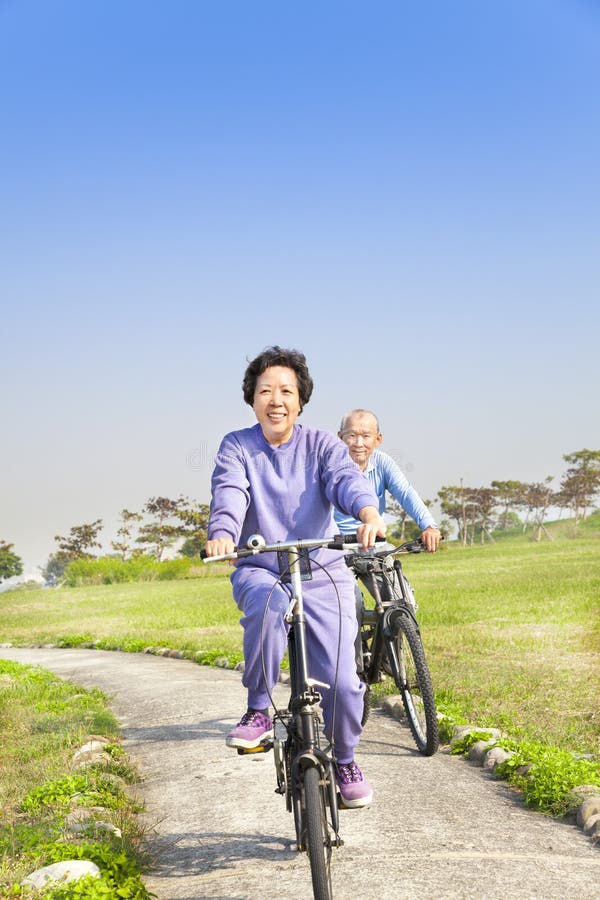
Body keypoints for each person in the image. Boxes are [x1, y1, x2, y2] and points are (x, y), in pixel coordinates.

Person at [204, 347, 387, 808]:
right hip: (262, 566)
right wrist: (224, 535)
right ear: (252, 400)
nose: (276, 399)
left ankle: (345, 757)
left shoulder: (323, 444)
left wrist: (367, 513)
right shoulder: (237, 446)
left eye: (286, 390)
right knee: (265, 608)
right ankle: (259, 711)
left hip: (322, 568)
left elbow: (346, 480)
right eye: (266, 390)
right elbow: (230, 493)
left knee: (345, 682)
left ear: (301, 399)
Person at [335, 409, 441, 551]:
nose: (358, 443)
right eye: (352, 435)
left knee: (391, 570)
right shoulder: (329, 465)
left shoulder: (382, 462)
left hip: (374, 544)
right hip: (335, 545)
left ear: (378, 439)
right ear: (340, 437)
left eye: (366, 436)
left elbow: (405, 493)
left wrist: (429, 526)